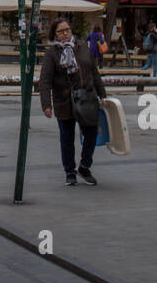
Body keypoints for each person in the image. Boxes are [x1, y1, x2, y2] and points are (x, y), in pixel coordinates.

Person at [39, 17, 107, 186]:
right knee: (67, 138)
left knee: (91, 133)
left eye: (67, 30)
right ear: (54, 34)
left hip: (86, 98)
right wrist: (46, 104)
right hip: (64, 100)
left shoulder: (82, 46)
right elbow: (45, 80)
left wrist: (102, 94)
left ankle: (85, 166)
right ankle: (70, 171)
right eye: (61, 31)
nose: (65, 34)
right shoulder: (52, 53)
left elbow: (94, 71)